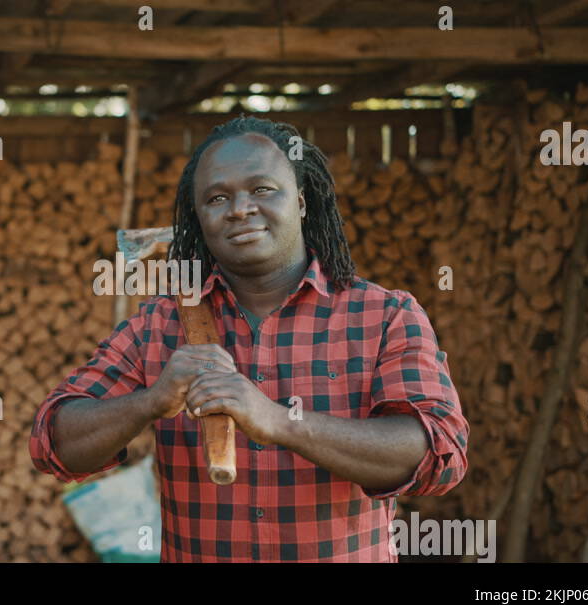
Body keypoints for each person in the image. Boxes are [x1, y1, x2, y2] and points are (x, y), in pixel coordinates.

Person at [30, 115, 469, 562]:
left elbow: (438, 457)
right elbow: (52, 442)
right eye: (217, 198)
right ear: (199, 220)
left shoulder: (384, 316)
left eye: (262, 189)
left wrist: (279, 422)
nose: (239, 209)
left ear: (300, 201)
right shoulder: (159, 326)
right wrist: (152, 400)